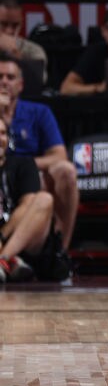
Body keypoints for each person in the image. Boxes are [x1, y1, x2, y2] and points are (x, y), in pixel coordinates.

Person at [0, 53, 79, 250]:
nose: (4, 82)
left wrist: (24, 168)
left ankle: (61, 251)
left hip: (30, 172)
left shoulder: (38, 112)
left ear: (21, 84)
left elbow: (59, 155)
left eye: (10, 77)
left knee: (66, 171)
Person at [0, 116, 57, 283]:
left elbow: (27, 205)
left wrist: (2, 237)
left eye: (3, 133)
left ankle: (4, 258)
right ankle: (11, 262)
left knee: (44, 199)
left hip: (22, 237)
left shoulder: (23, 163)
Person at [0, 0, 48, 80]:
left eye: (15, 25)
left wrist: (15, 55)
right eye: (4, 24)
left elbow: (39, 81)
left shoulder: (34, 51)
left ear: (21, 23)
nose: (9, 31)